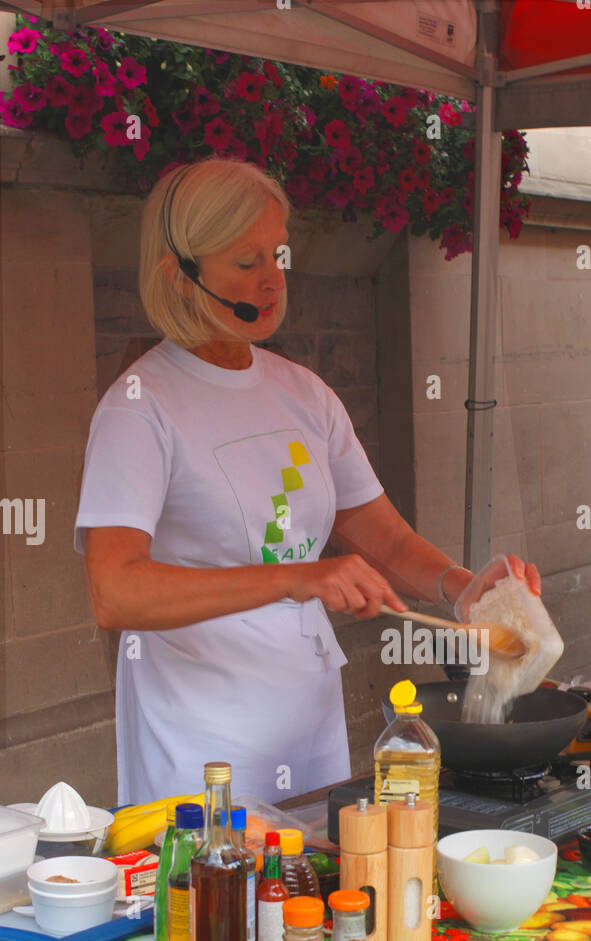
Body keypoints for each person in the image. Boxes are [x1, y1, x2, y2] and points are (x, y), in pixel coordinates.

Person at [75, 157, 540, 803]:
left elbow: (386, 539)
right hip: (199, 740)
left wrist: (467, 591)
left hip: (306, 719)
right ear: (179, 276)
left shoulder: (304, 393)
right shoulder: (140, 405)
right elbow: (115, 590)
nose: (271, 281)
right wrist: (297, 577)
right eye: (246, 262)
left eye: (278, 255)